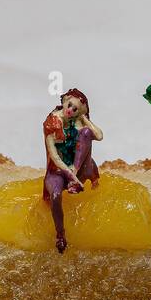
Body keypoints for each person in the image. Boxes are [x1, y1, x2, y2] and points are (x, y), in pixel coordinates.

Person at [43, 88, 103, 253]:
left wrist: (85, 119)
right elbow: (55, 158)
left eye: (76, 109)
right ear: (64, 101)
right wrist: (70, 176)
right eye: (70, 105)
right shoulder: (52, 123)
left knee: (85, 133)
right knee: (55, 195)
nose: (70, 110)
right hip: (57, 172)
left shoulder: (79, 123)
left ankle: (80, 174)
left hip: (80, 170)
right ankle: (60, 234)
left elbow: (98, 136)